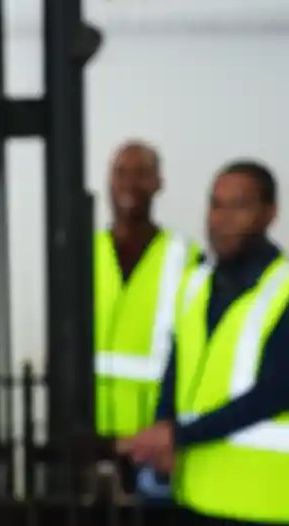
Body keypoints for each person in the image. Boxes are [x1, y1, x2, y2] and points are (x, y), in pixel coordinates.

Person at [119, 160, 289, 526]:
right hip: (201, 503)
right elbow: (179, 369)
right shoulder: (197, 283)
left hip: (269, 512)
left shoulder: (285, 290)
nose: (221, 218)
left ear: (269, 213)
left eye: (238, 204)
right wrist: (164, 434)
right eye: (216, 204)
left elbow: (276, 391)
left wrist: (181, 433)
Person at [95, 140, 202, 437]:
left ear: (158, 183)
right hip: (89, 435)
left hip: (153, 437)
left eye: (141, 173)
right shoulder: (84, 253)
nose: (129, 183)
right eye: (120, 173)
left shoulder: (186, 258)